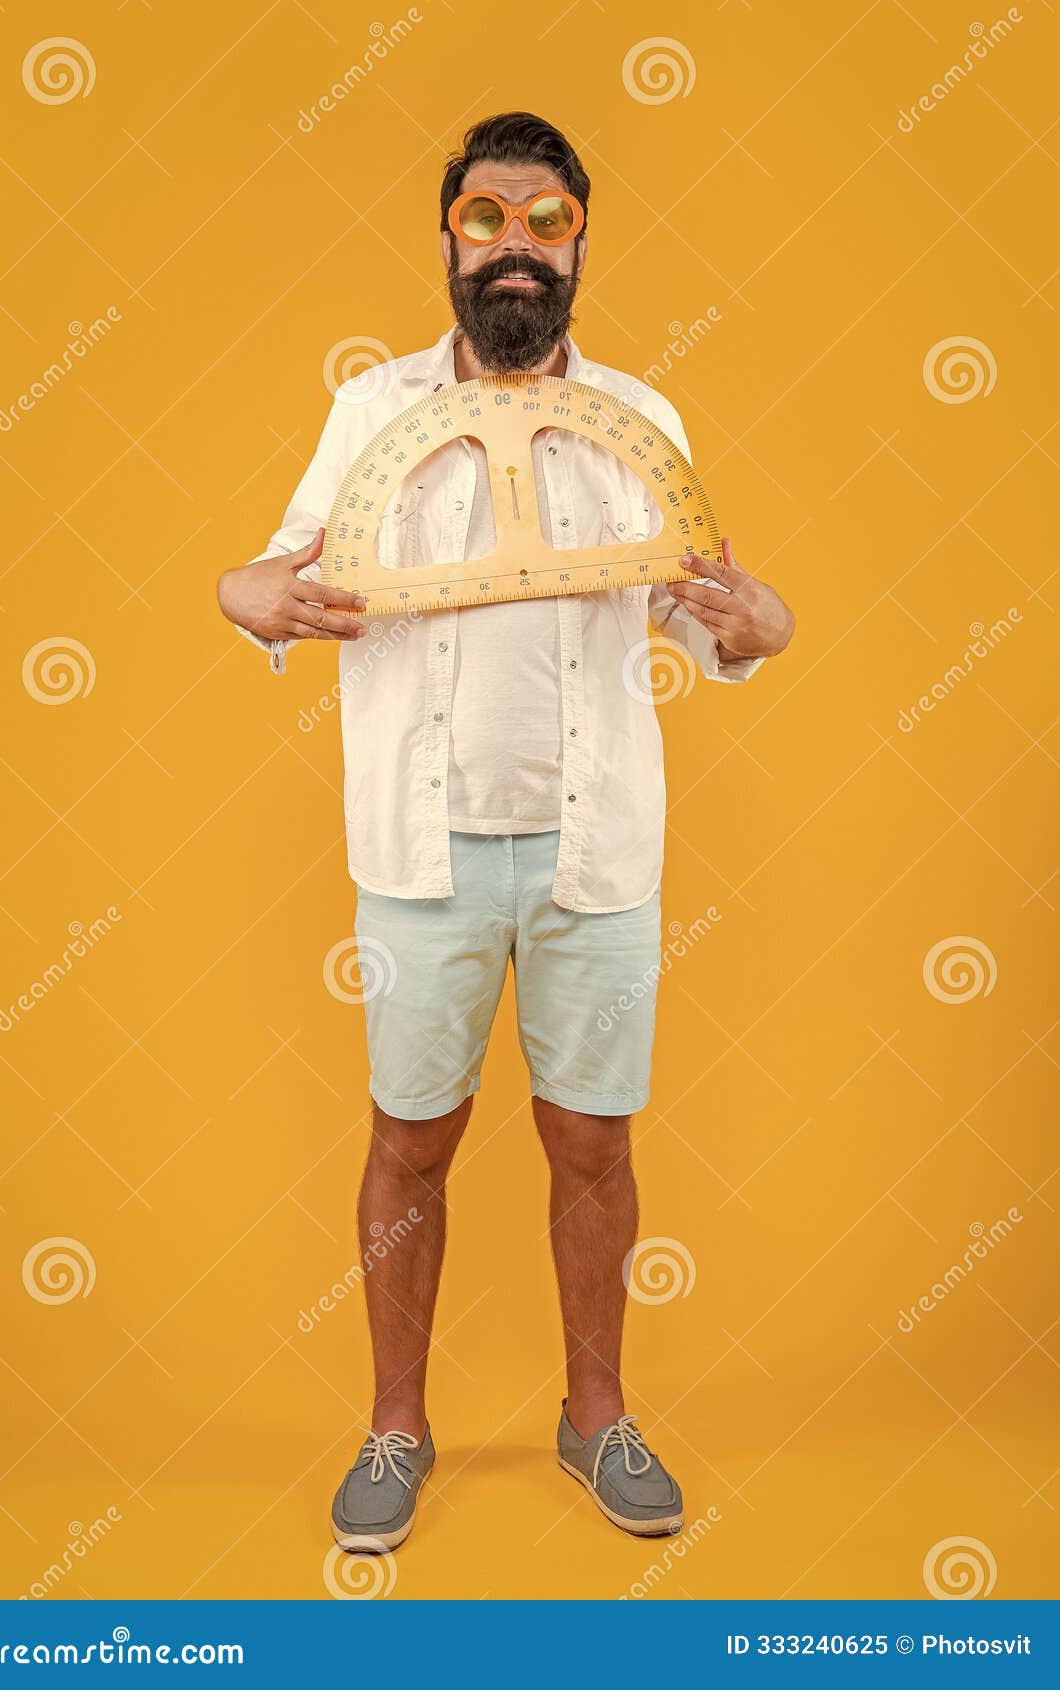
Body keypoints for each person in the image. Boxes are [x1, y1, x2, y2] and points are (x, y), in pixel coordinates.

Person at [216, 112, 795, 1554]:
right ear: (450, 241)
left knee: (591, 1140)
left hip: (598, 853)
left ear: (581, 245)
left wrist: (755, 623)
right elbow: (284, 571)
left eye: (547, 221)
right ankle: (395, 1428)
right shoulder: (371, 410)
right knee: (410, 1138)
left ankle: (595, 1417)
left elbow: (704, 611)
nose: (517, 247)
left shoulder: (643, 419)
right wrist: (247, 595)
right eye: (488, 219)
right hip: (422, 854)